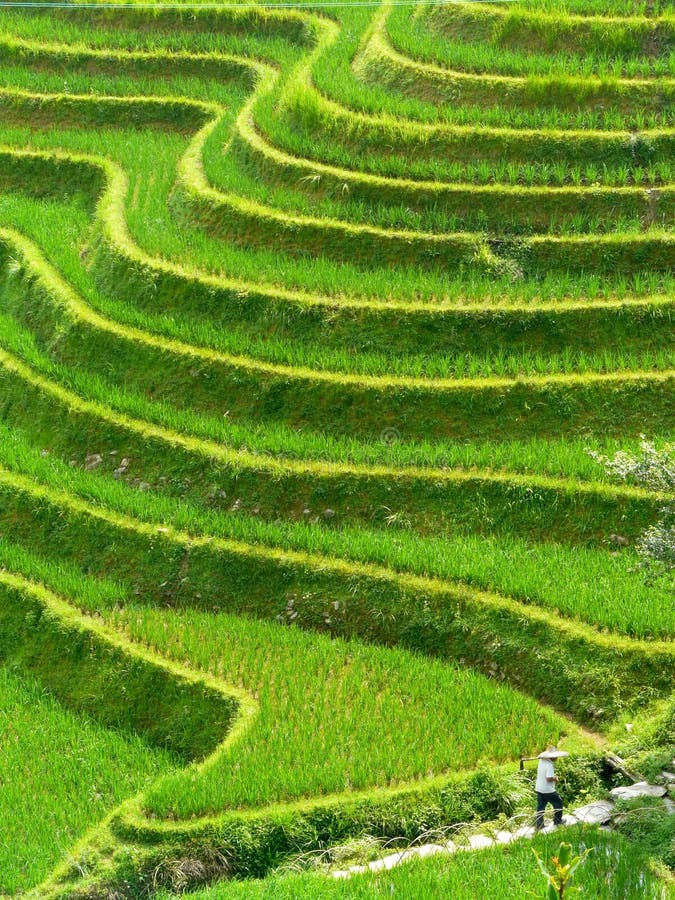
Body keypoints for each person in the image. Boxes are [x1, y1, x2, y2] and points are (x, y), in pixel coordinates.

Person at [534, 745, 568, 830]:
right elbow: (549, 778)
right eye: (555, 756)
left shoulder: (541, 761)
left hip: (539, 788)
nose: (557, 758)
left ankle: (539, 825)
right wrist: (555, 778)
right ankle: (557, 821)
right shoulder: (549, 765)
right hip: (547, 789)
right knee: (558, 802)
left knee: (540, 807)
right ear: (551, 757)